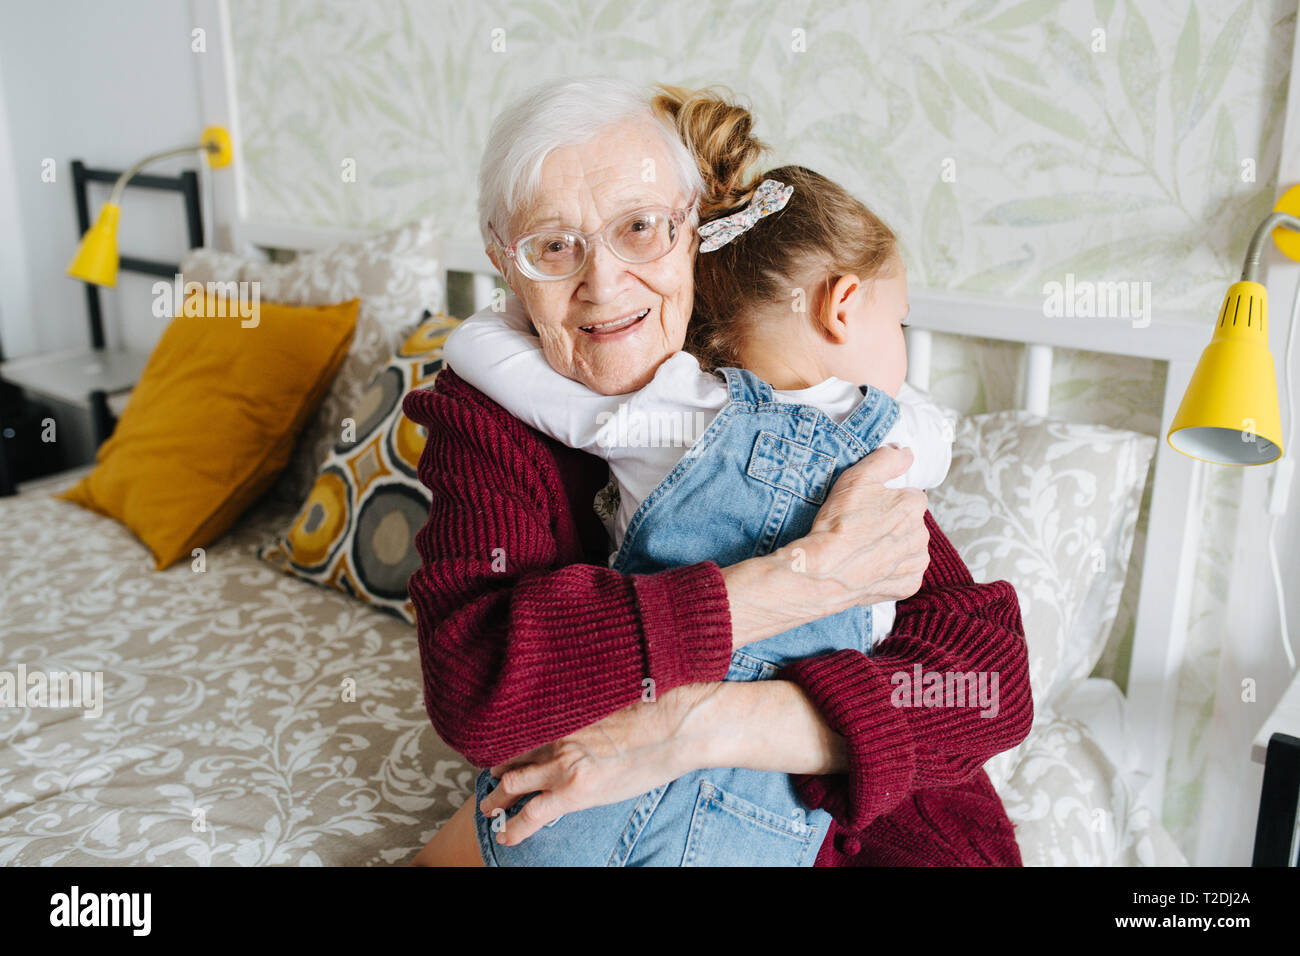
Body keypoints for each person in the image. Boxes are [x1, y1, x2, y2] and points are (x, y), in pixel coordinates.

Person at [402, 75, 1032, 867]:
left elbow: (988, 686)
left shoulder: (786, 397)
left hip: (876, 828)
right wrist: (795, 584)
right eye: (554, 247)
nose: (603, 285)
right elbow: (479, 688)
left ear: (693, 232)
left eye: (640, 228)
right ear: (504, 260)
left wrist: (688, 730)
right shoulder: (490, 418)